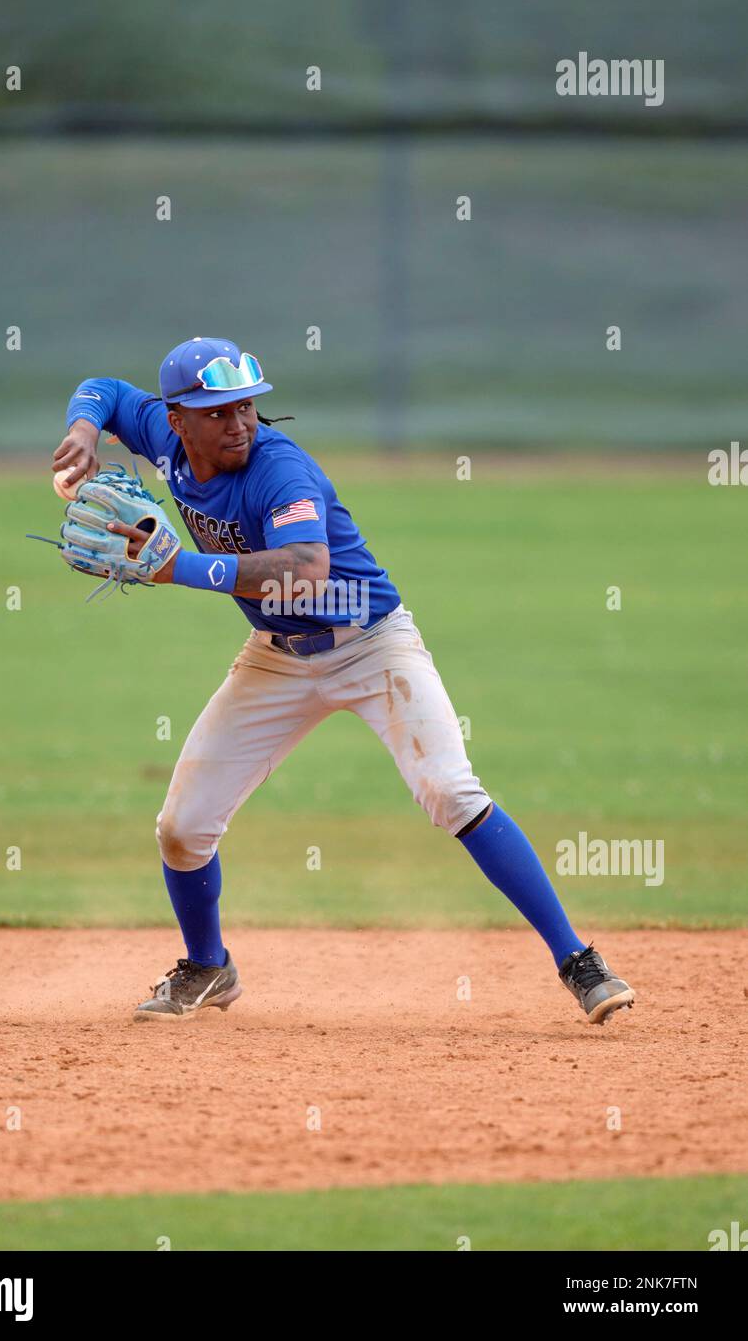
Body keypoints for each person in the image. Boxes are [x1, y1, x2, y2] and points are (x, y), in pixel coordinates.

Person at [52, 336, 636, 1026]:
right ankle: (209, 967)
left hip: (371, 644)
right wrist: (83, 432)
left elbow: (305, 567)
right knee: (181, 827)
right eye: (216, 411)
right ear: (177, 419)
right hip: (276, 654)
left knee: (450, 790)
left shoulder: (279, 469)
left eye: (244, 405)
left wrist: (175, 567)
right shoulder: (165, 437)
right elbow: (108, 391)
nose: (238, 422)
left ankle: (579, 962)